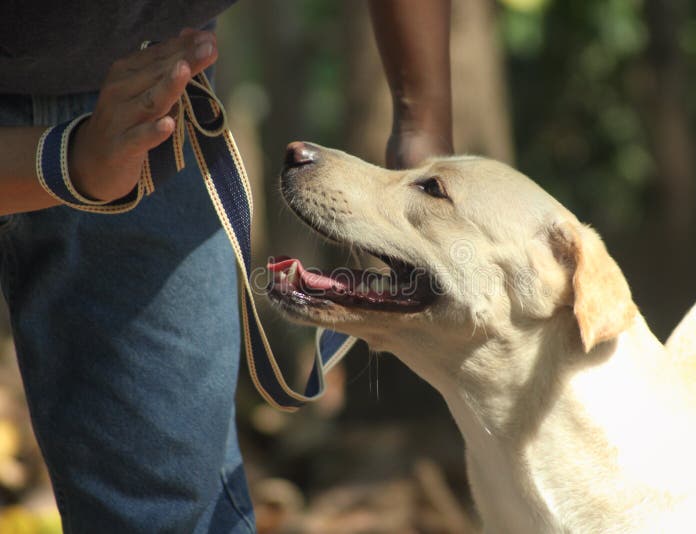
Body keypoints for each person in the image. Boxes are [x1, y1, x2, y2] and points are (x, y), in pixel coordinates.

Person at [0, 1, 452, 531]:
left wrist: (423, 129)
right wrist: (73, 162)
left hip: (151, 96)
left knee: (175, 509)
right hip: (128, 120)